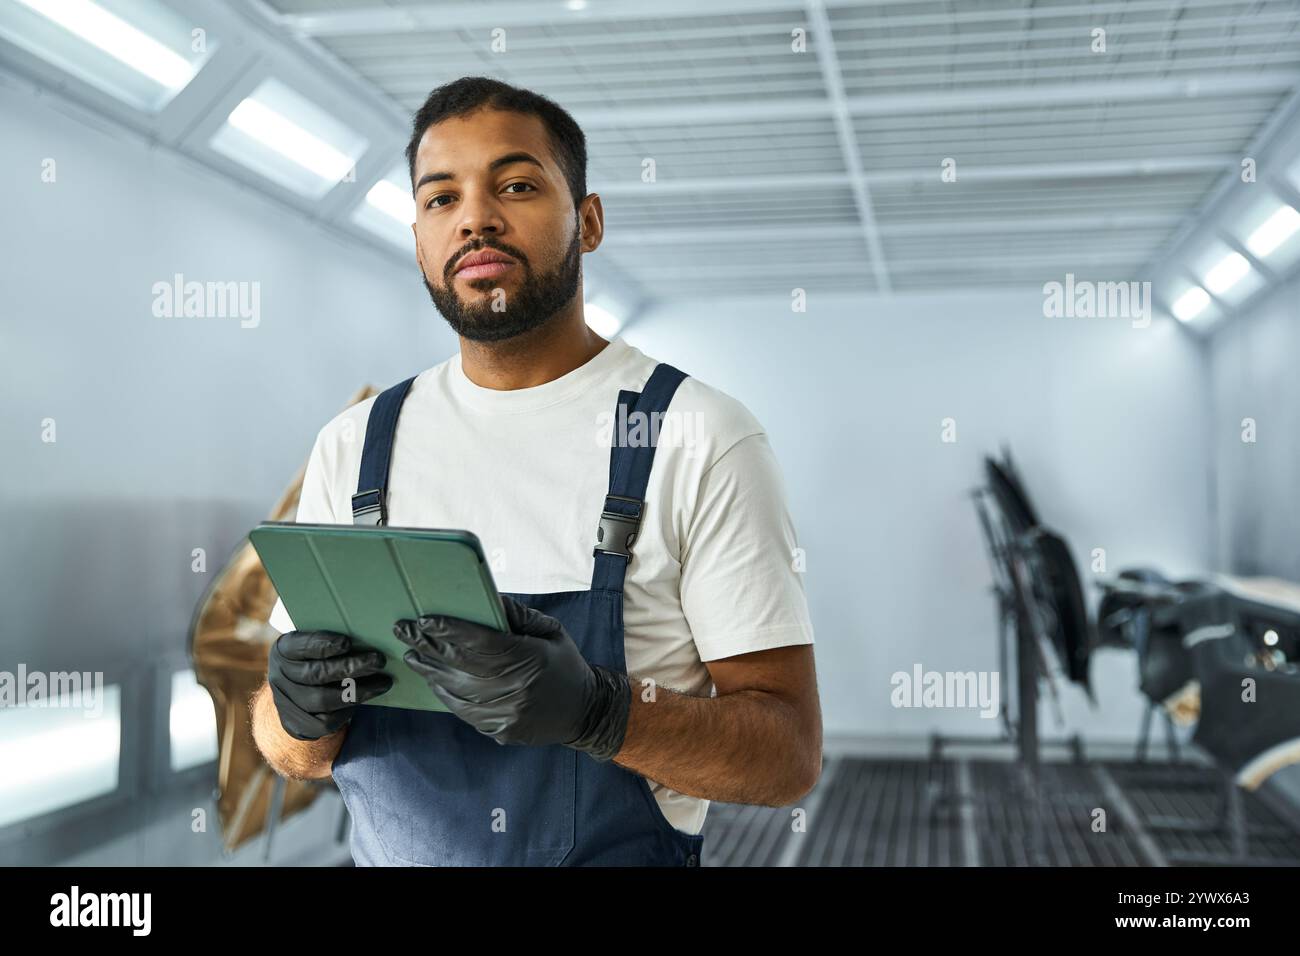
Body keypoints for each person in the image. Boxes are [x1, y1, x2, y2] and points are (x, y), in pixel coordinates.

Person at [249, 76, 820, 866]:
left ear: (587, 221)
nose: (476, 217)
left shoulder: (696, 435)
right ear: (419, 239)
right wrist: (293, 713)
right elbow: (292, 753)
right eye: (441, 199)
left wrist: (598, 712)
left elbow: (787, 754)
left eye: (515, 185)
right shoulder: (356, 445)